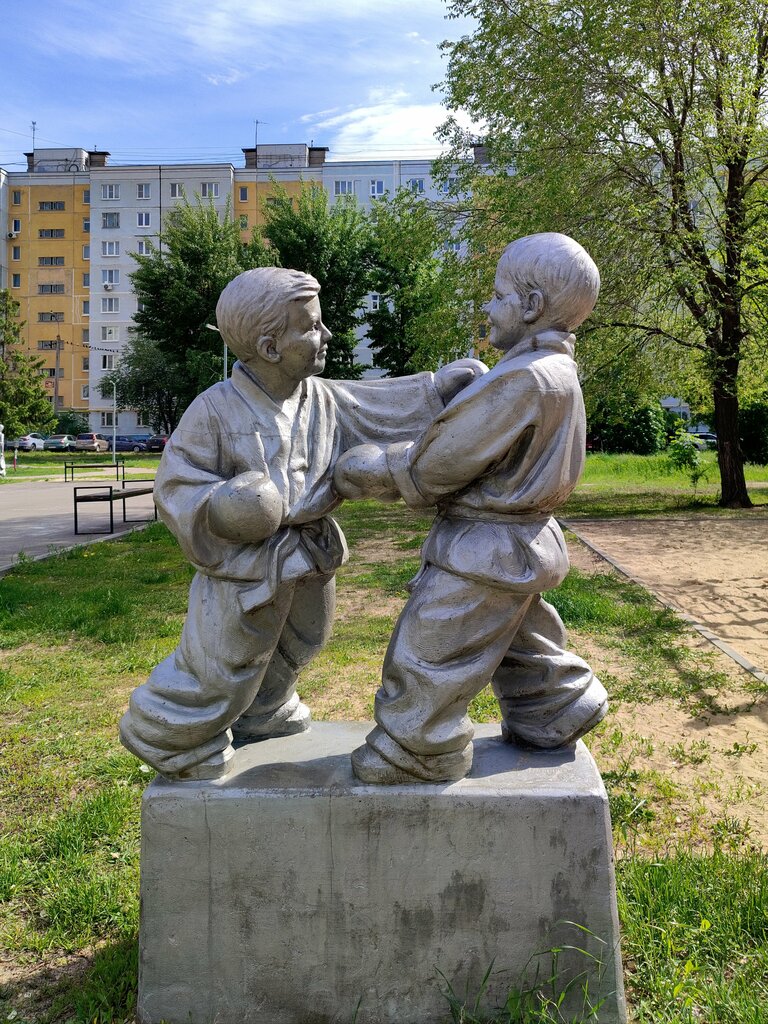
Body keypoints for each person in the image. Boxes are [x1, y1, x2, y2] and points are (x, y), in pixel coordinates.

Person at [119, 267, 483, 781]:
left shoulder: (321, 397)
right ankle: (165, 734)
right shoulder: (214, 410)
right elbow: (176, 484)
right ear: (270, 347)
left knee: (304, 638)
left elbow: (377, 404)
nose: (327, 334)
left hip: (309, 549)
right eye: (312, 327)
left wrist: (437, 391)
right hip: (246, 565)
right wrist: (223, 506)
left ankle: (264, 710)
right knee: (228, 660)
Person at [334, 233, 608, 784]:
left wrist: (380, 467)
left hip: (484, 549)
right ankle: (554, 707)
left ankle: (416, 749)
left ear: (531, 306)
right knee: (518, 641)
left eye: (499, 295)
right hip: (519, 544)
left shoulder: (525, 378)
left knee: (429, 652)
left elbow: (442, 462)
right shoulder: (553, 372)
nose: (488, 306)